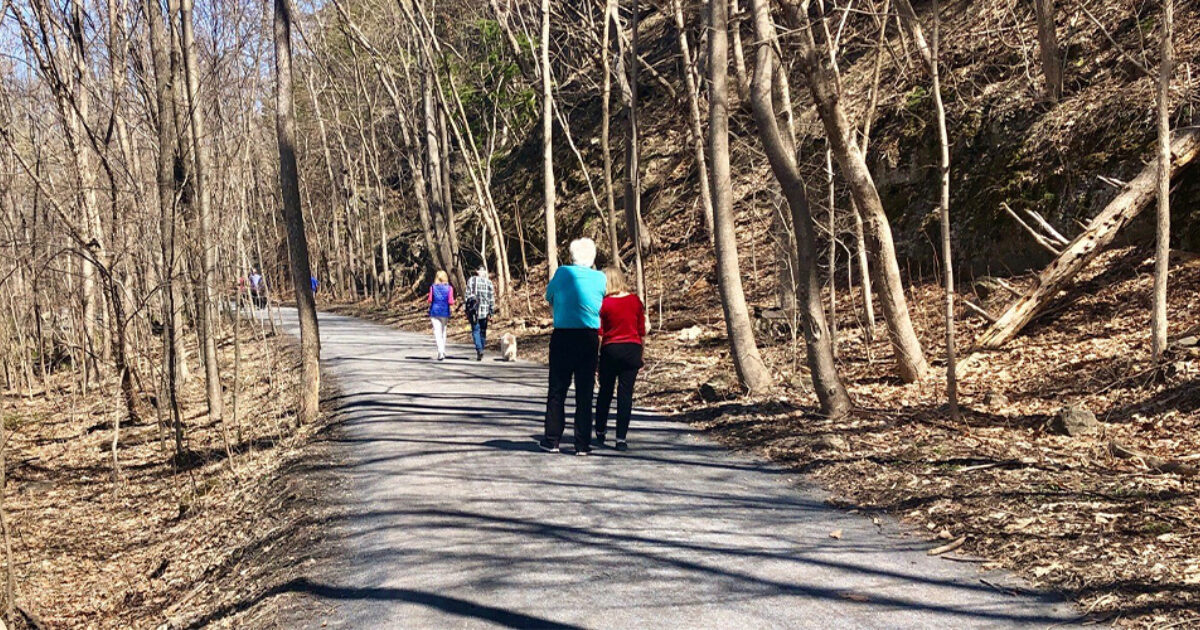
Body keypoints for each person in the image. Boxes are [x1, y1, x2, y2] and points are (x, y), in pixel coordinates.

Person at [541, 238, 606, 455]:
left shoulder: (561, 273)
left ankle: (552, 439)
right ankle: (582, 444)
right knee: (585, 392)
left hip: (563, 336)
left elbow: (548, 296)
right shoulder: (600, 278)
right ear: (593, 257)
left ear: (572, 256)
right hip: (588, 337)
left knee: (557, 390)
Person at [593, 267, 645, 452]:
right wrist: (641, 353)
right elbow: (641, 331)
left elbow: (600, 333)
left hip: (611, 349)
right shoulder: (635, 301)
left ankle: (600, 430)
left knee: (605, 392)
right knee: (625, 395)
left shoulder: (604, 304)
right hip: (632, 349)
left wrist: (597, 358)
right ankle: (621, 438)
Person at [465, 266, 496, 361]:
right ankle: (481, 348)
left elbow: (467, 296)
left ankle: (479, 349)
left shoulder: (471, 280)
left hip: (474, 310)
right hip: (485, 310)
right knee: (483, 331)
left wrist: (466, 309)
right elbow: (491, 299)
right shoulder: (489, 283)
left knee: (475, 330)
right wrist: (491, 311)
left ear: (477, 271)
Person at [428, 270, 454, 361]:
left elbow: (430, 299)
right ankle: (442, 350)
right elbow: (451, 301)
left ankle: (440, 351)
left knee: (437, 332)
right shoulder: (449, 288)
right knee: (443, 331)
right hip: (445, 312)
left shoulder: (432, 287)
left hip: (434, 312)